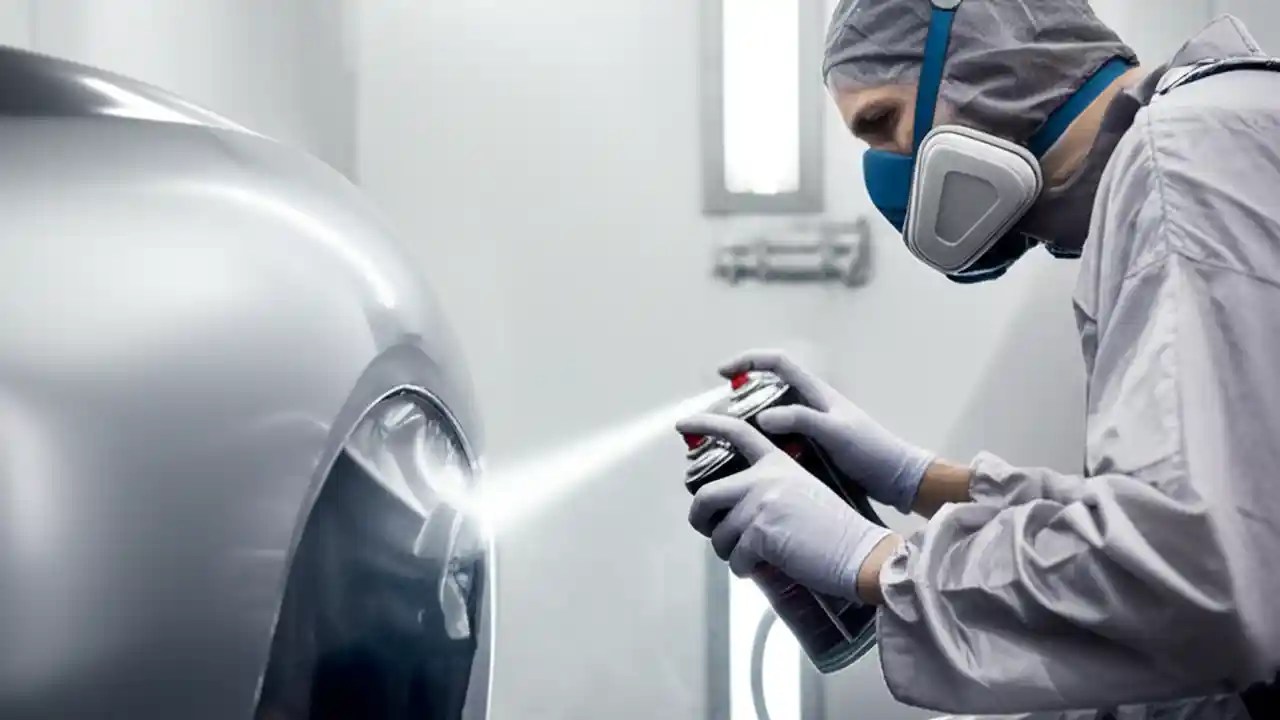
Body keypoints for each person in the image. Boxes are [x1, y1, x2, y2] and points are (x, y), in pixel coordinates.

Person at [677, 1, 1280, 718]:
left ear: (980, 52)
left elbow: (1199, 580)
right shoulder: (1213, 130)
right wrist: (922, 480)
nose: (888, 174)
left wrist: (876, 565)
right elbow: (1233, 527)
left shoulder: (1179, 160)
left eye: (881, 121)